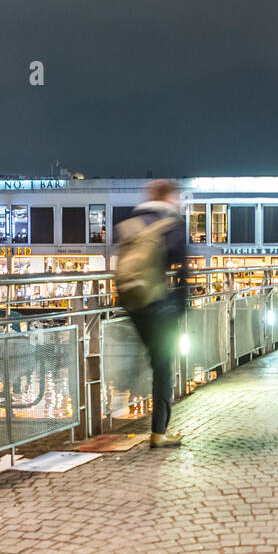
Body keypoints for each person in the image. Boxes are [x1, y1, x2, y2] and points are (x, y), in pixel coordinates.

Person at [114, 179, 188, 447]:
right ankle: (159, 432)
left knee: (145, 351)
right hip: (156, 302)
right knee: (163, 364)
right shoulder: (172, 225)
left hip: (131, 301)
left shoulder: (133, 223)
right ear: (169, 197)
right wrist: (180, 306)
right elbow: (181, 268)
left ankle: (125, 378)